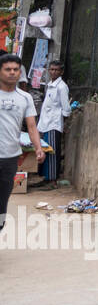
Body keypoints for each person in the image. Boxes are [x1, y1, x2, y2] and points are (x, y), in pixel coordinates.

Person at [1, 53, 44, 232]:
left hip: (10, 158)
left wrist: (39, 148)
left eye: (15, 70)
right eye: (7, 69)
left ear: (20, 73)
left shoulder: (25, 98)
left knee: (2, 201)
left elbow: (31, 126)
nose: (12, 73)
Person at [33, 59, 70, 189]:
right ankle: (46, 177)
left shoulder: (62, 87)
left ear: (61, 72)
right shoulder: (49, 85)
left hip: (54, 123)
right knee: (46, 151)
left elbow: (66, 108)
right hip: (46, 122)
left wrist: (63, 123)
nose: (54, 72)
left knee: (53, 152)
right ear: (49, 71)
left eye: (56, 70)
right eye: (52, 69)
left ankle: (53, 181)